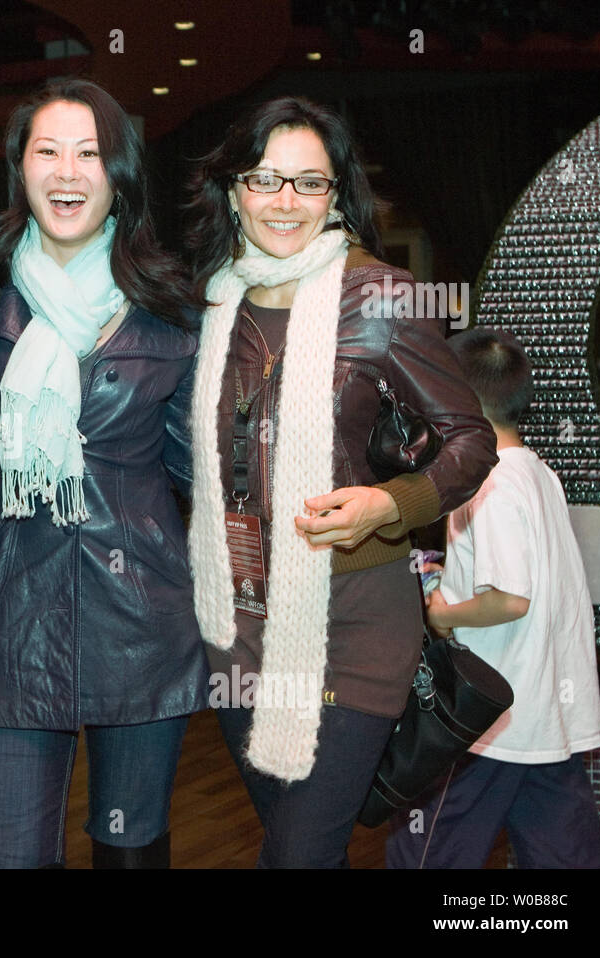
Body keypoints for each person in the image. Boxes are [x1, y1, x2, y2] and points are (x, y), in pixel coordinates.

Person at [181, 96, 498, 867]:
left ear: (336, 194)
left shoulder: (379, 296)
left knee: (298, 855)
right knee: (290, 847)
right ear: (233, 191)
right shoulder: (209, 305)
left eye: (309, 183)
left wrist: (389, 504)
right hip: (236, 636)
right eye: (266, 179)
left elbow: (470, 441)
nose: (286, 201)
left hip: (355, 624)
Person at [0, 78, 208, 869]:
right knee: (11, 853)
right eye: (48, 152)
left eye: (90, 153)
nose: (68, 172)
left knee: (129, 849)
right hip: (14, 622)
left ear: (120, 176)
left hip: (141, 618)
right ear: (21, 170)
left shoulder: (171, 315)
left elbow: (202, 473)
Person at [386, 328, 600, 869]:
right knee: (565, 856)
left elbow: (510, 599)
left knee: (428, 850)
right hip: (542, 715)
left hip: (487, 716)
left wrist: (443, 614)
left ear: (458, 398)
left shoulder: (487, 480)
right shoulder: (539, 474)